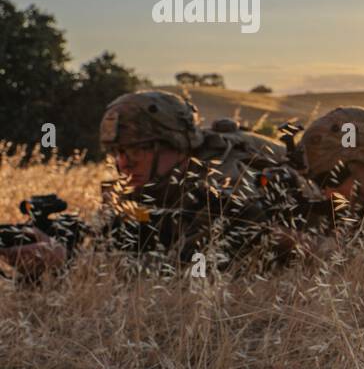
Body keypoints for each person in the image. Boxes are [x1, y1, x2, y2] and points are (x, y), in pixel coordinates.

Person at [0, 90, 304, 279]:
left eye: (136, 149)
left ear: (175, 143)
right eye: (117, 152)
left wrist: (69, 264)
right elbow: (126, 235)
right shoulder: (156, 182)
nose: (124, 163)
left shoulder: (224, 184)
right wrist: (63, 239)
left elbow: (190, 273)